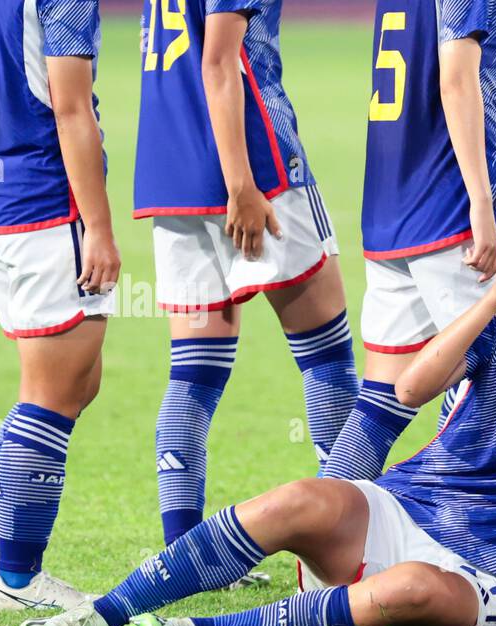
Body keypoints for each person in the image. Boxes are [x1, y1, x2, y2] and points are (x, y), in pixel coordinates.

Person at [14, 196, 496, 626]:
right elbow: (411, 386)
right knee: (301, 497)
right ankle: (100, 616)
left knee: (404, 588)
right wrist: (490, 298)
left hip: (486, 574)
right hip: (406, 509)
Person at [135, 0, 358, 562]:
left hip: (175, 174)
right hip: (257, 171)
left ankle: (180, 553)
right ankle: (346, 529)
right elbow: (219, 61)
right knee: (327, 356)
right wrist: (241, 184)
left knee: (193, 376)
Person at [319, 0, 496, 483]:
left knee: (380, 403)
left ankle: (326, 536)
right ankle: (461, 531)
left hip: (395, 215)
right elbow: (454, 84)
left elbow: (431, 101)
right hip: (453, 210)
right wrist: (481, 200)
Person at [0, 0, 120, 612]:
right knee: (53, 397)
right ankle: (20, 581)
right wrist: (98, 227)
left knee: (71, 383)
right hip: (45, 205)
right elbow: (71, 107)